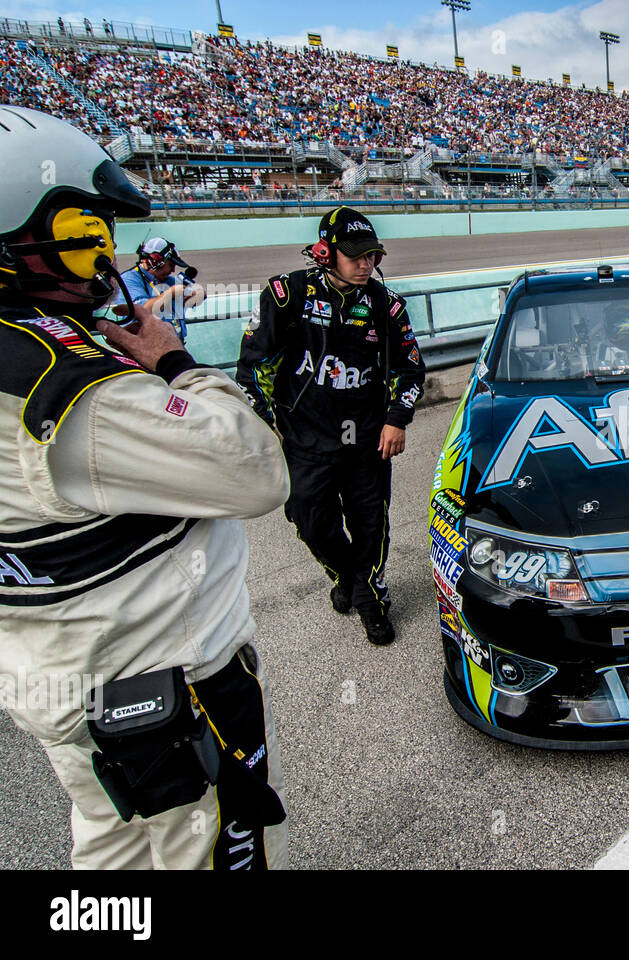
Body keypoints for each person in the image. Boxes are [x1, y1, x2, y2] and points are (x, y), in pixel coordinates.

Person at [0, 106, 289, 869]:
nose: (106, 261)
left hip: (63, 682)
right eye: (88, 239)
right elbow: (255, 468)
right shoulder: (66, 388)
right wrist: (173, 363)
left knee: (112, 857)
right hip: (162, 687)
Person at [236, 207, 426, 646]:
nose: (366, 264)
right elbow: (250, 369)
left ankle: (368, 597)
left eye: (373, 256)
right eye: (356, 255)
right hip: (304, 439)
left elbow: (412, 371)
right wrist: (269, 427)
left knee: (370, 525)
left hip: (368, 440)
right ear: (325, 252)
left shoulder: (386, 304)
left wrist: (397, 419)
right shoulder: (287, 295)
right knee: (308, 519)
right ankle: (349, 578)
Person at [114, 236, 202, 341]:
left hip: (173, 343)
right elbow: (142, 310)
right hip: (145, 347)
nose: (173, 270)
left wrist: (197, 294)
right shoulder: (129, 280)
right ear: (156, 262)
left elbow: (199, 296)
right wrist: (171, 293)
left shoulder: (167, 280)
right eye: (171, 265)